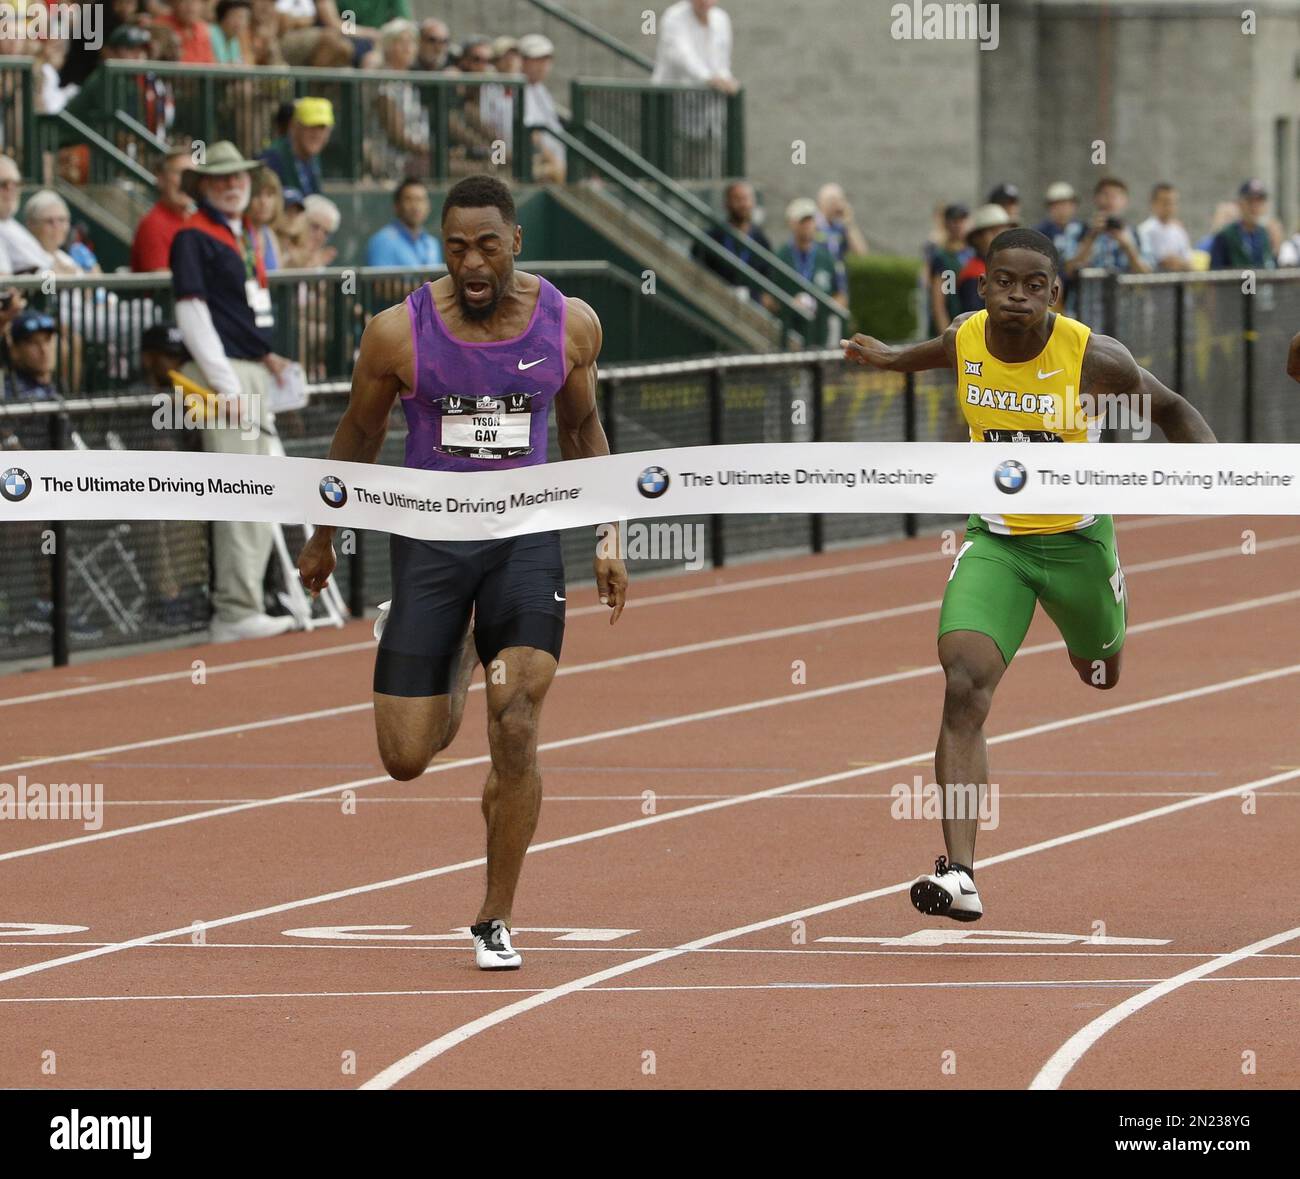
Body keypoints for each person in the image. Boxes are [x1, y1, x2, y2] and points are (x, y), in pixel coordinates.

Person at [297, 175, 628, 972]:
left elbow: (584, 431)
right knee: (406, 757)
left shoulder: (569, 325)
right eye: (454, 248)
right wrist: (323, 536)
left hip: (523, 542)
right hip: (431, 547)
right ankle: (450, 650)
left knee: (515, 717)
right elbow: (357, 435)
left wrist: (611, 530)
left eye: (486, 245)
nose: (471, 263)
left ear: (515, 242)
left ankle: (494, 914)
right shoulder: (395, 334)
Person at [840, 227, 1216, 921]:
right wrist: (893, 360)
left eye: (1033, 286)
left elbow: (1170, 409)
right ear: (983, 289)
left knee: (1101, 674)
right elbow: (939, 351)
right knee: (963, 681)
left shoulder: (1094, 358)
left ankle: (1105, 625)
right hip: (999, 543)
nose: (1017, 297)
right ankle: (960, 873)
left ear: (1055, 294)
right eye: (1004, 283)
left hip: (1077, 544)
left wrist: (1219, 476)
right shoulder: (966, 337)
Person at [169, 140, 296, 643]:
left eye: (239, 176)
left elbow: (233, 311)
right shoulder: (193, 237)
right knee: (242, 491)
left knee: (258, 489)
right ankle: (235, 608)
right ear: (203, 187)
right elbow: (192, 311)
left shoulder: (240, 235)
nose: (233, 184)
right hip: (223, 377)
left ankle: (248, 600)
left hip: (247, 371)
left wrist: (266, 356)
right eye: (221, 178)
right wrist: (224, 384)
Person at [367, 19, 431, 179]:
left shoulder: (409, 80)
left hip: (417, 154)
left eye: (412, 43)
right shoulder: (382, 80)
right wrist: (430, 151)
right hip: (393, 159)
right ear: (387, 47)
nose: (408, 48)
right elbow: (396, 135)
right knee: (451, 165)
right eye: (401, 42)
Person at [694, 179, 774, 307]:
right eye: (738, 199)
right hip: (717, 305)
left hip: (752, 309)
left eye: (747, 199)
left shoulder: (761, 240)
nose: (743, 204)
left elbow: (768, 279)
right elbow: (697, 272)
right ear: (727, 203)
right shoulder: (712, 236)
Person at [1066, 176, 1150, 277]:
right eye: (1105, 194)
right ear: (1096, 199)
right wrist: (1091, 237)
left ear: (1125, 201)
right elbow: (1068, 270)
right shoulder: (1077, 230)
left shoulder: (1136, 233)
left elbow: (1146, 274)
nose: (1110, 200)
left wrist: (1128, 247)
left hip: (1124, 292)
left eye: (1116, 195)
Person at [131, 146, 195, 271]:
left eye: (192, 175)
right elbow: (161, 283)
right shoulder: (154, 225)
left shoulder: (195, 220)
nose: (187, 181)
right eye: (179, 173)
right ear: (161, 179)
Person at [651, 0, 736, 93]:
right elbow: (682, 56)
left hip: (709, 102)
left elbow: (722, 63)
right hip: (670, 99)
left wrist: (725, 79)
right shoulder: (673, 17)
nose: (705, 1)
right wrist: (709, 78)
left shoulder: (721, 18)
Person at [776, 197, 847, 308]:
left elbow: (840, 295)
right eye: (803, 221)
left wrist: (827, 309)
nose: (808, 225)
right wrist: (789, 304)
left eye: (811, 220)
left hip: (819, 323)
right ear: (792, 223)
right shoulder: (781, 256)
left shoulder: (826, 257)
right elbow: (768, 298)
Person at [258, 96, 333, 198]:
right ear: (294, 127)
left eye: (322, 128)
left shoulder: (311, 156)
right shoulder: (272, 158)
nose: (317, 134)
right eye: (311, 127)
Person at [365, 178, 443, 268]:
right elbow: (380, 281)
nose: (415, 206)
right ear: (397, 206)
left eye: (420, 199)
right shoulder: (383, 242)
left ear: (429, 206)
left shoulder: (432, 243)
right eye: (409, 199)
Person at [519, 33, 565, 183]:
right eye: (537, 60)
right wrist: (555, 162)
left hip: (558, 159)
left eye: (546, 60)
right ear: (523, 61)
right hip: (533, 161)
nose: (543, 66)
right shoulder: (518, 88)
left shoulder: (540, 89)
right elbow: (534, 134)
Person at [955, 202, 1014, 314]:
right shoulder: (973, 274)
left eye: (1004, 231)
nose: (1000, 237)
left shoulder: (1006, 268)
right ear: (977, 238)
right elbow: (975, 318)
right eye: (994, 231)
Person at [1209, 179, 1276, 270]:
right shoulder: (1225, 236)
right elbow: (1216, 272)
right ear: (1240, 204)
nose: (1255, 207)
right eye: (1250, 202)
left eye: (1259, 202)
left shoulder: (1265, 234)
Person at [1, 309, 61, 402]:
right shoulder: (10, 392)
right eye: (33, 343)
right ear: (15, 351)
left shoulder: (53, 386)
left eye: (47, 340)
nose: (44, 350)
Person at [928, 203, 970, 334]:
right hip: (955, 326)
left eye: (962, 220)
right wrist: (946, 335)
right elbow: (940, 304)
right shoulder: (943, 258)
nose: (958, 225)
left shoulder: (975, 253)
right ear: (946, 224)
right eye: (954, 221)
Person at [1136, 182, 1192, 271]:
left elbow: (1188, 260)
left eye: (1174, 203)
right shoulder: (1144, 230)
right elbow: (1144, 262)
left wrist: (1179, 262)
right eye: (1166, 202)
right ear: (1153, 204)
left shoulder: (1178, 230)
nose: (1170, 207)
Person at [815, 183, 868, 263]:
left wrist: (849, 223)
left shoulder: (842, 227)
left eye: (840, 200)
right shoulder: (813, 224)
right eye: (832, 200)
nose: (837, 204)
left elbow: (862, 254)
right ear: (821, 202)